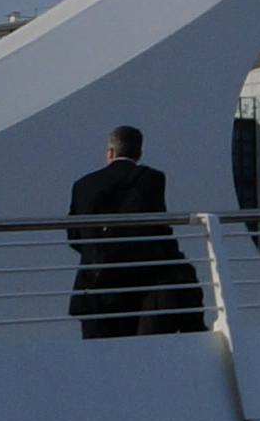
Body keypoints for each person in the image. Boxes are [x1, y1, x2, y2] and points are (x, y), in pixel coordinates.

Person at [68, 124, 204, 338]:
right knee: (136, 354)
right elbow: (159, 229)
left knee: (98, 358)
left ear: (110, 152)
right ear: (139, 153)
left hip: (94, 288)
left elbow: (74, 237)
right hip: (138, 286)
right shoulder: (151, 179)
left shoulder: (83, 185)